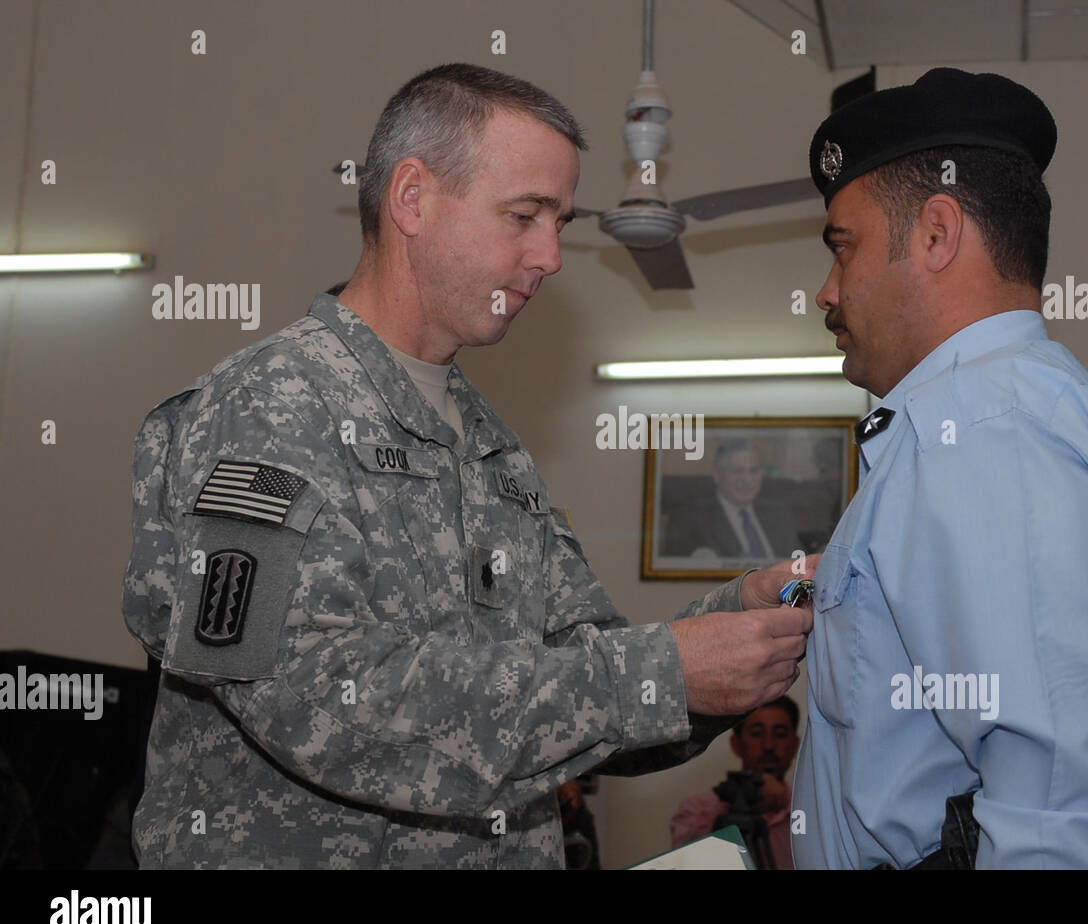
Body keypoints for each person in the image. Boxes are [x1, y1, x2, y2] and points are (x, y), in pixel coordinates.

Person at [121, 63, 812, 869]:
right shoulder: (266, 410)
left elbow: (583, 685)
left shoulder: (489, 446)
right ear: (412, 199)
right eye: (525, 216)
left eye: (561, 221)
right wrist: (658, 673)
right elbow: (318, 701)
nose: (552, 256)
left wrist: (734, 624)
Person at [790, 67, 1088, 869]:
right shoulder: (1006, 413)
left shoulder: (982, 427)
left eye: (843, 247)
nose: (827, 291)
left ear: (936, 233)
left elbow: (1058, 814)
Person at [669, 696, 800, 869]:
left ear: (795, 745)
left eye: (780, 734)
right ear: (736, 743)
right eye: (756, 733)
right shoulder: (697, 811)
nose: (768, 745)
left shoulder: (812, 813)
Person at [663, 439, 799, 561]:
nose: (747, 480)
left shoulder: (779, 515)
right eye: (738, 471)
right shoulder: (690, 520)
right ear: (717, 475)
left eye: (754, 471)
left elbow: (801, 565)